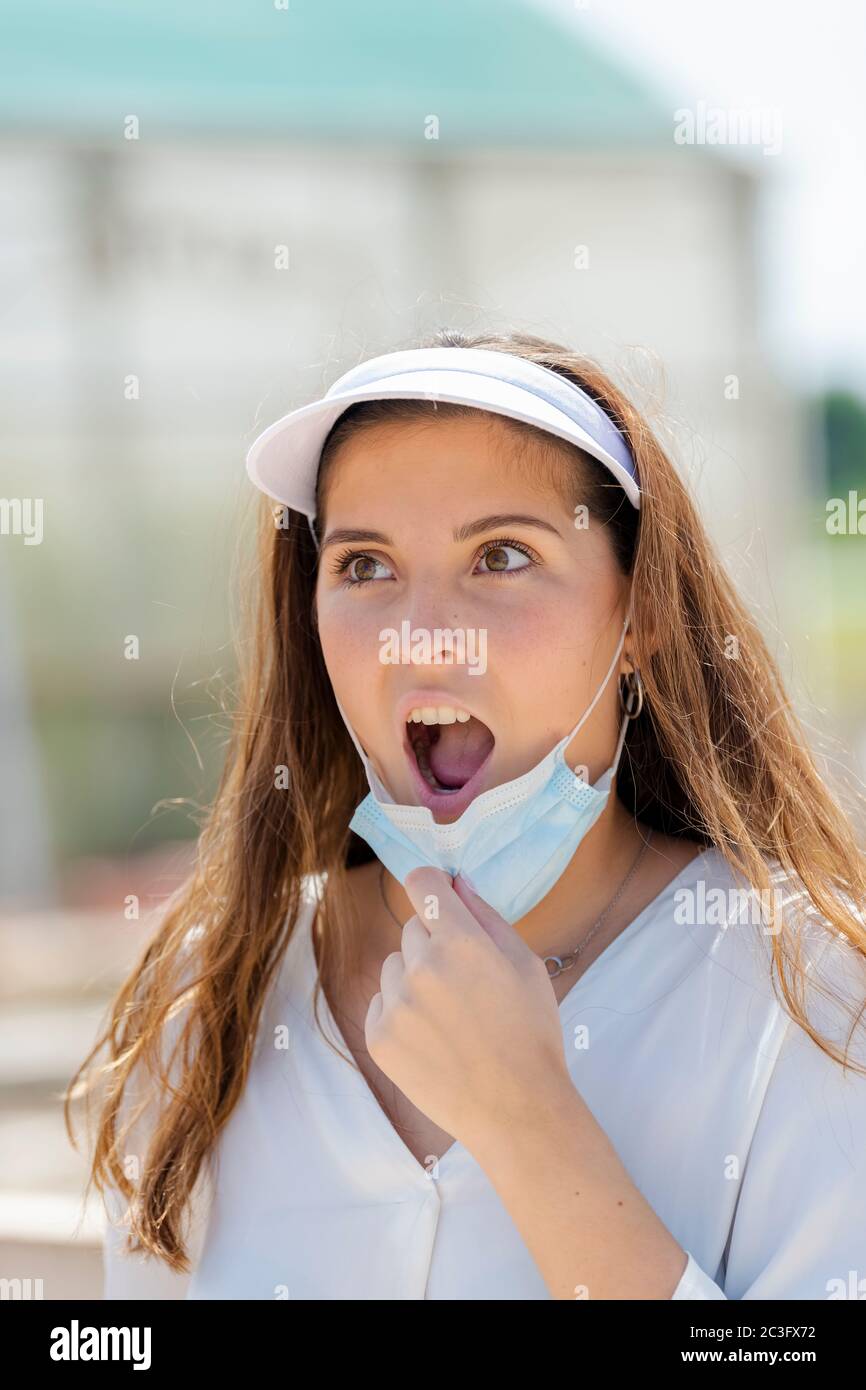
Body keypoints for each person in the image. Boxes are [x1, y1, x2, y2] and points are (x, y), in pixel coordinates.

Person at [69, 329, 866, 1300]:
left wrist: (530, 1127)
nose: (421, 635)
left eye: (499, 555)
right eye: (363, 566)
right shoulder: (212, 993)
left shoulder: (813, 993)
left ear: (638, 616)